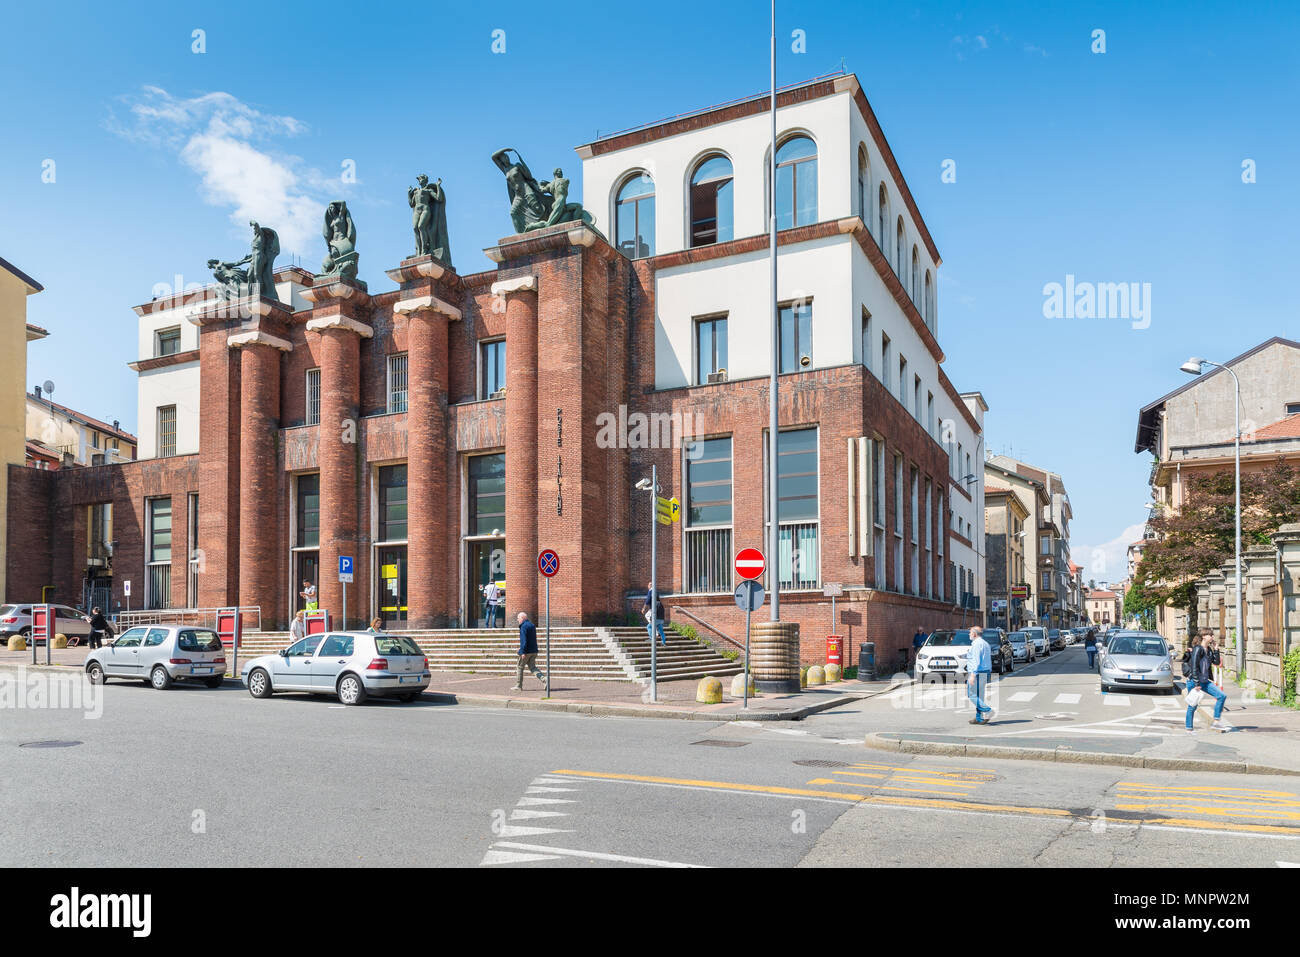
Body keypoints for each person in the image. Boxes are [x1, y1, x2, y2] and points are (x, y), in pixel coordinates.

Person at [1185, 633, 1229, 733]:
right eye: (1210, 635)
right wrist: (1196, 683)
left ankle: (1216, 722)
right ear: (1204, 636)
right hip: (1194, 681)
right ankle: (1189, 729)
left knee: (1221, 696)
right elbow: (1194, 667)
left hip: (1205, 681)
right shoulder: (1197, 649)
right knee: (1193, 705)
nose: (1213, 637)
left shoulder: (1208, 650)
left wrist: (1216, 649)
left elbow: (1216, 663)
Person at [966, 625, 994, 725]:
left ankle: (988, 711)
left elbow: (976, 660)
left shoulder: (977, 644)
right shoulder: (985, 643)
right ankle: (979, 718)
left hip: (978, 672)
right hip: (985, 672)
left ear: (974, 634)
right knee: (979, 696)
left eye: (970, 633)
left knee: (971, 694)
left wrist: (973, 674)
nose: (969, 634)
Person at [512, 611, 547, 692]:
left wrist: (522, 651)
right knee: (533, 667)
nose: (517, 620)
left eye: (518, 618)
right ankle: (544, 679)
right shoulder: (532, 625)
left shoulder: (523, 626)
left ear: (522, 618)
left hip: (526, 651)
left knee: (520, 667)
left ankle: (518, 686)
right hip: (534, 650)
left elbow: (524, 640)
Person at [644, 582, 667, 647]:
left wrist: (651, 619)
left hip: (656, 618)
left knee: (649, 626)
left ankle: (652, 638)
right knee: (660, 629)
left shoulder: (654, 603)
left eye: (649, 585)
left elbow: (653, 611)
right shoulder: (660, 603)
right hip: (661, 619)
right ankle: (663, 642)